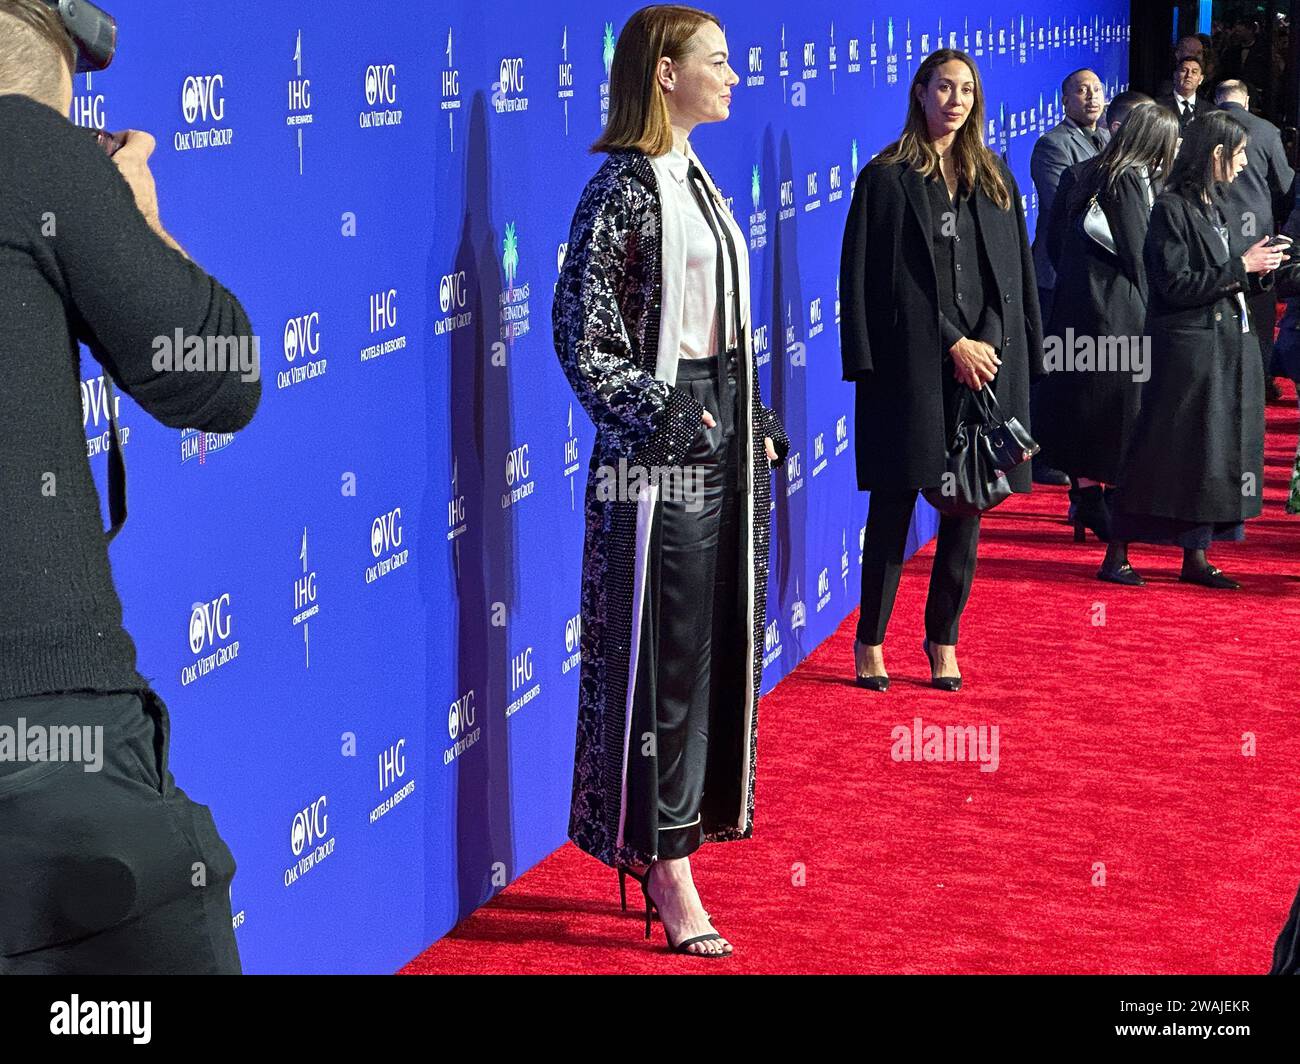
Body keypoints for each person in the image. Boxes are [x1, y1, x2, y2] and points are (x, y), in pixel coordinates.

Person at [0, 0, 259, 973]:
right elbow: (219, 374)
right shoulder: (27, 143)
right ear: (55, 64)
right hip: (47, 745)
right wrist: (136, 216)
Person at [552, 3, 788, 958]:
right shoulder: (621, 189)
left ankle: (685, 836)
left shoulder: (698, 180)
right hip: (664, 453)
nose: (734, 75)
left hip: (725, 435)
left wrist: (752, 421)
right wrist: (669, 418)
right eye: (717, 60)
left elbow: (725, 325)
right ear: (663, 72)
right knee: (660, 651)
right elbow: (583, 339)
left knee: (712, 645)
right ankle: (658, 858)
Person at [839, 48, 1041, 693]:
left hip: (984, 368)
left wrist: (989, 344)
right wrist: (951, 342)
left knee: (967, 508)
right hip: (912, 372)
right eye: (945, 87)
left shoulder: (995, 178)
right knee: (895, 506)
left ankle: (942, 639)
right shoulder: (888, 177)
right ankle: (870, 640)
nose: (957, 100)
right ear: (920, 92)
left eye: (967, 91)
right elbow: (878, 284)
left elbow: (1011, 278)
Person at [1105, 110, 1286, 588]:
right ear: (1216, 154)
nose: (1246, 163)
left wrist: (1261, 270)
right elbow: (1173, 284)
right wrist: (1239, 267)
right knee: (1160, 452)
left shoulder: (1216, 204)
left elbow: (1226, 275)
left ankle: (1196, 555)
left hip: (1224, 347)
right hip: (1184, 353)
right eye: (1240, 153)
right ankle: (1117, 550)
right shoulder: (1170, 208)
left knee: (1208, 454)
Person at [1036, 102, 1179, 545]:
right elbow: (1141, 255)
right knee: (1118, 411)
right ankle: (1108, 504)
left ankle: (1084, 499)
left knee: (1078, 405)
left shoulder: (1081, 171)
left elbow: (1054, 242)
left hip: (1075, 307)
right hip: (1120, 312)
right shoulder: (1130, 179)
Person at [1030, 67, 1108, 486]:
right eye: (1082, 90)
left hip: (1094, 275)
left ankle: (1078, 452)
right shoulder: (1052, 145)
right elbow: (1066, 203)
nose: (1091, 97)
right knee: (1049, 366)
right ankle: (1041, 455)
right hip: (1054, 272)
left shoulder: (1109, 141)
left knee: (1083, 366)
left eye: (1096, 90)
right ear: (1065, 100)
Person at [1215, 79, 1295, 400]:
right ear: (1245, 102)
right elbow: (1285, 183)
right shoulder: (1266, 130)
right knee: (1260, 309)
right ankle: (1259, 381)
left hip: (1214, 224)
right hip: (1255, 227)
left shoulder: (1198, 127)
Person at [1156, 55, 1206, 133]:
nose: (1189, 75)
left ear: (1201, 79)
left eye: (1194, 72)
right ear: (1175, 75)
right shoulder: (1158, 106)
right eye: (1184, 70)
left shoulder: (1209, 110)